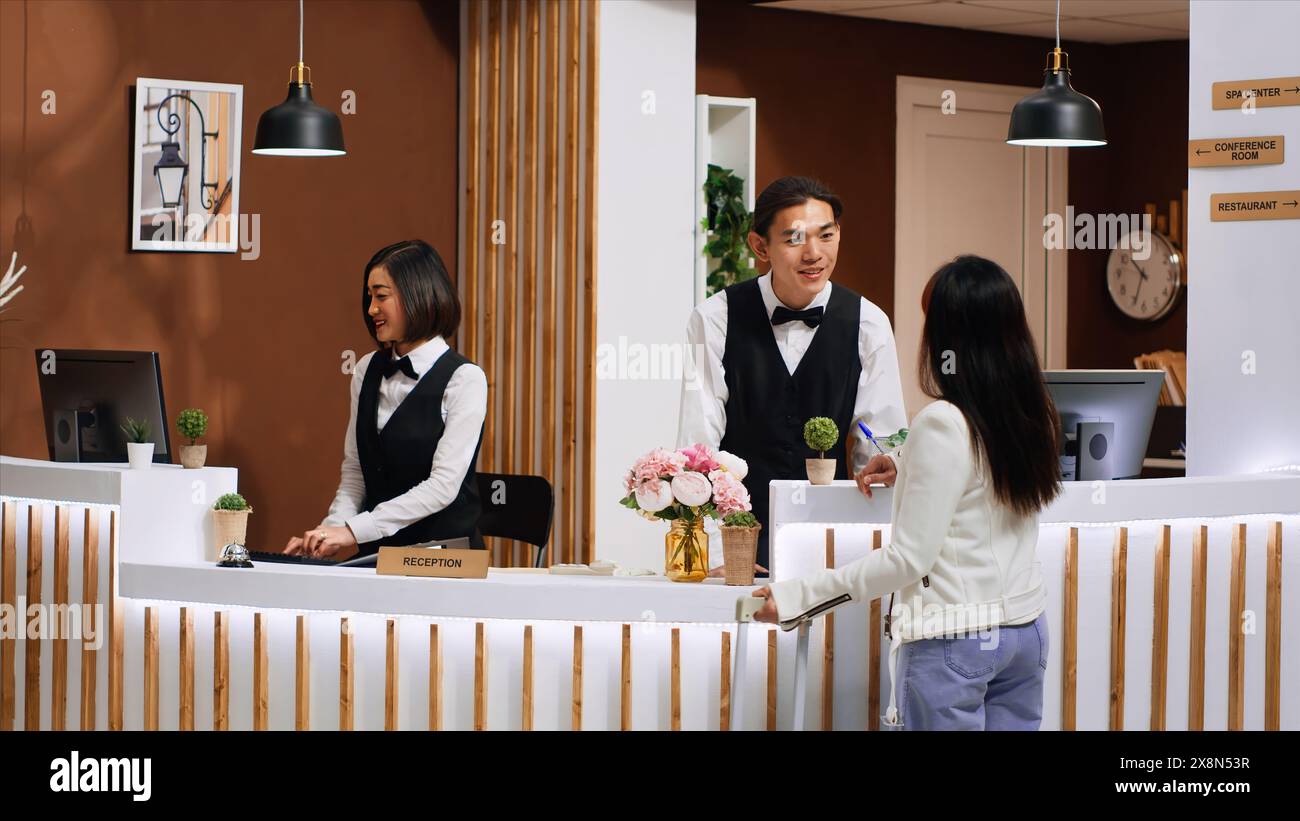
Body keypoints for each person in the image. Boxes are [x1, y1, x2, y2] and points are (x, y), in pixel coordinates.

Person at [752, 255, 1063, 730]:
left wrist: (799, 597)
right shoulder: (1031, 413)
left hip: (955, 639)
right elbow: (980, 466)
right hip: (1025, 633)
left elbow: (908, 559)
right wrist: (906, 460)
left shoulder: (942, 423)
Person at [677, 176, 907, 574]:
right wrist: (715, 552)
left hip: (834, 547)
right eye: (795, 239)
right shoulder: (714, 319)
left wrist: (871, 555)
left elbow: (881, 446)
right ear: (760, 246)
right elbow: (698, 446)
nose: (814, 254)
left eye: (826, 235)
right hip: (736, 540)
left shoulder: (869, 323)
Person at [284, 239, 488, 561]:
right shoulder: (366, 369)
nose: (371, 309)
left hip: (444, 559)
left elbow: (442, 487)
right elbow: (355, 472)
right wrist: (329, 531)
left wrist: (352, 531)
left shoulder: (465, 379)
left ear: (418, 294)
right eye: (369, 297)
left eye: (381, 296)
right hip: (378, 556)